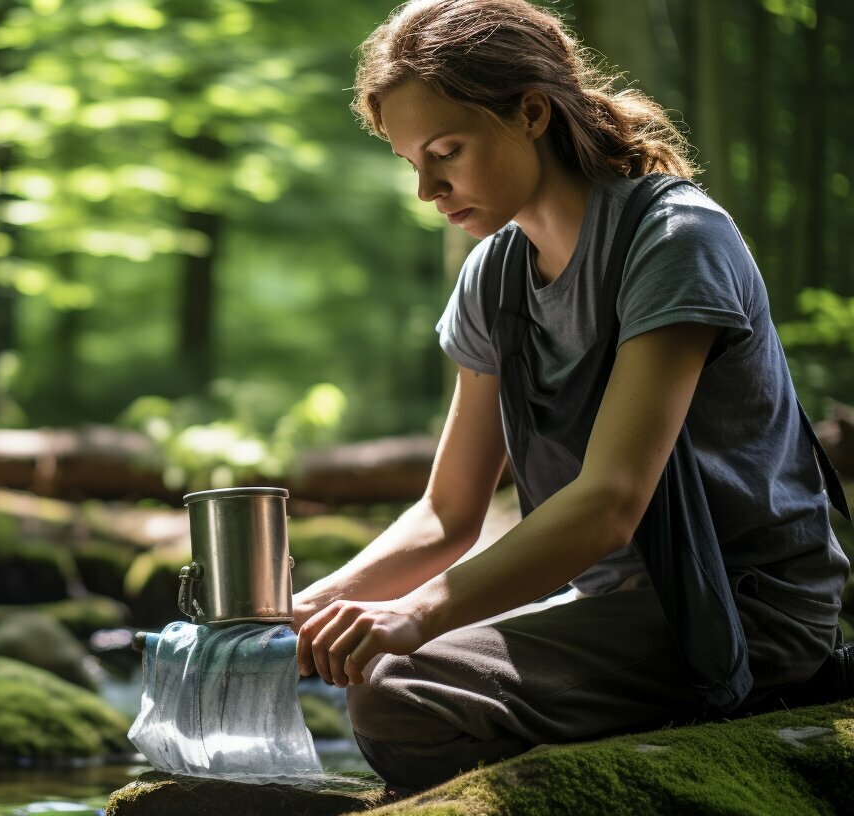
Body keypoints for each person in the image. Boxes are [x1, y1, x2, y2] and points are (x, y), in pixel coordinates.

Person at [291, 0, 853, 792]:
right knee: (391, 673)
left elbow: (609, 501)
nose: (427, 190)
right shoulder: (495, 278)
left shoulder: (674, 241)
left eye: (446, 151)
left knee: (399, 692)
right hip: (616, 607)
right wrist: (295, 614)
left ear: (530, 112)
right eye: (411, 162)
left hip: (744, 612)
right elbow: (447, 514)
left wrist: (414, 617)